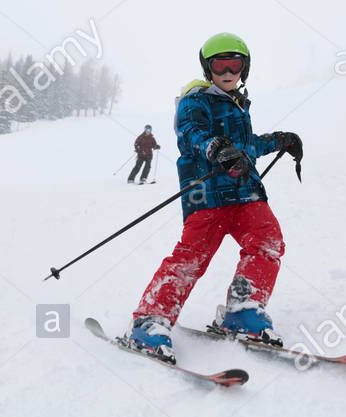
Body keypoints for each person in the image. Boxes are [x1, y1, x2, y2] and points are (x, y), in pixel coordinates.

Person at [127, 32, 303, 363]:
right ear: (208, 69)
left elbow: (247, 147)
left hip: (246, 193)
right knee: (191, 257)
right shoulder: (195, 100)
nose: (227, 71)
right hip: (207, 194)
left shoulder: (238, 103)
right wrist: (214, 147)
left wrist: (281, 140)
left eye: (234, 64)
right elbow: (191, 133)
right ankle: (151, 320)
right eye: (219, 64)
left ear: (244, 68)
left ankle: (243, 308)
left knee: (268, 241)